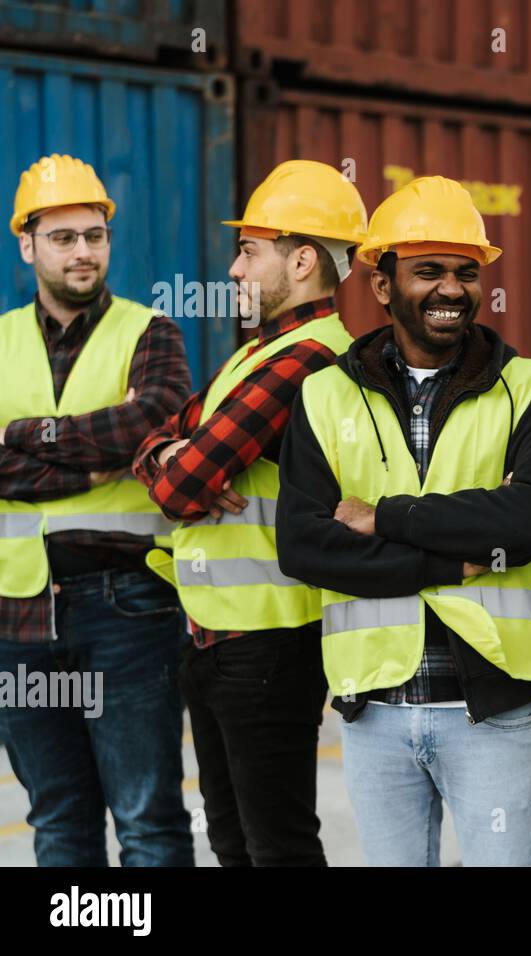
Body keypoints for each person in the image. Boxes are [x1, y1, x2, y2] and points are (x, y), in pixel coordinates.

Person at [275, 175, 531, 867]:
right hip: (374, 709)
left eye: (466, 273)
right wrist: (448, 558)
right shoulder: (325, 394)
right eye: (428, 271)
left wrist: (381, 516)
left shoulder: (526, 387)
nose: (450, 289)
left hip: (490, 710)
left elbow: (525, 522)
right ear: (381, 285)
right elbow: (305, 546)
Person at [132, 159, 366, 866]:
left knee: (277, 846)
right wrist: (171, 453)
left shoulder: (309, 360)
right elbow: (156, 446)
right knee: (234, 842)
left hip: (268, 643)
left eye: (249, 251)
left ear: (300, 261)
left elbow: (178, 487)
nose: (233, 270)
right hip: (217, 637)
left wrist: (180, 461)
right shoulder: (259, 355)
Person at [0, 153, 193, 866]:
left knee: (146, 819)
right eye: (63, 237)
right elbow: (121, 438)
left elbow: (152, 423)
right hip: (14, 609)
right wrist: (97, 454)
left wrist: (20, 441)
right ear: (28, 245)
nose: (83, 251)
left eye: (94, 235)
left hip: (128, 604)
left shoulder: (153, 333)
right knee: (58, 820)